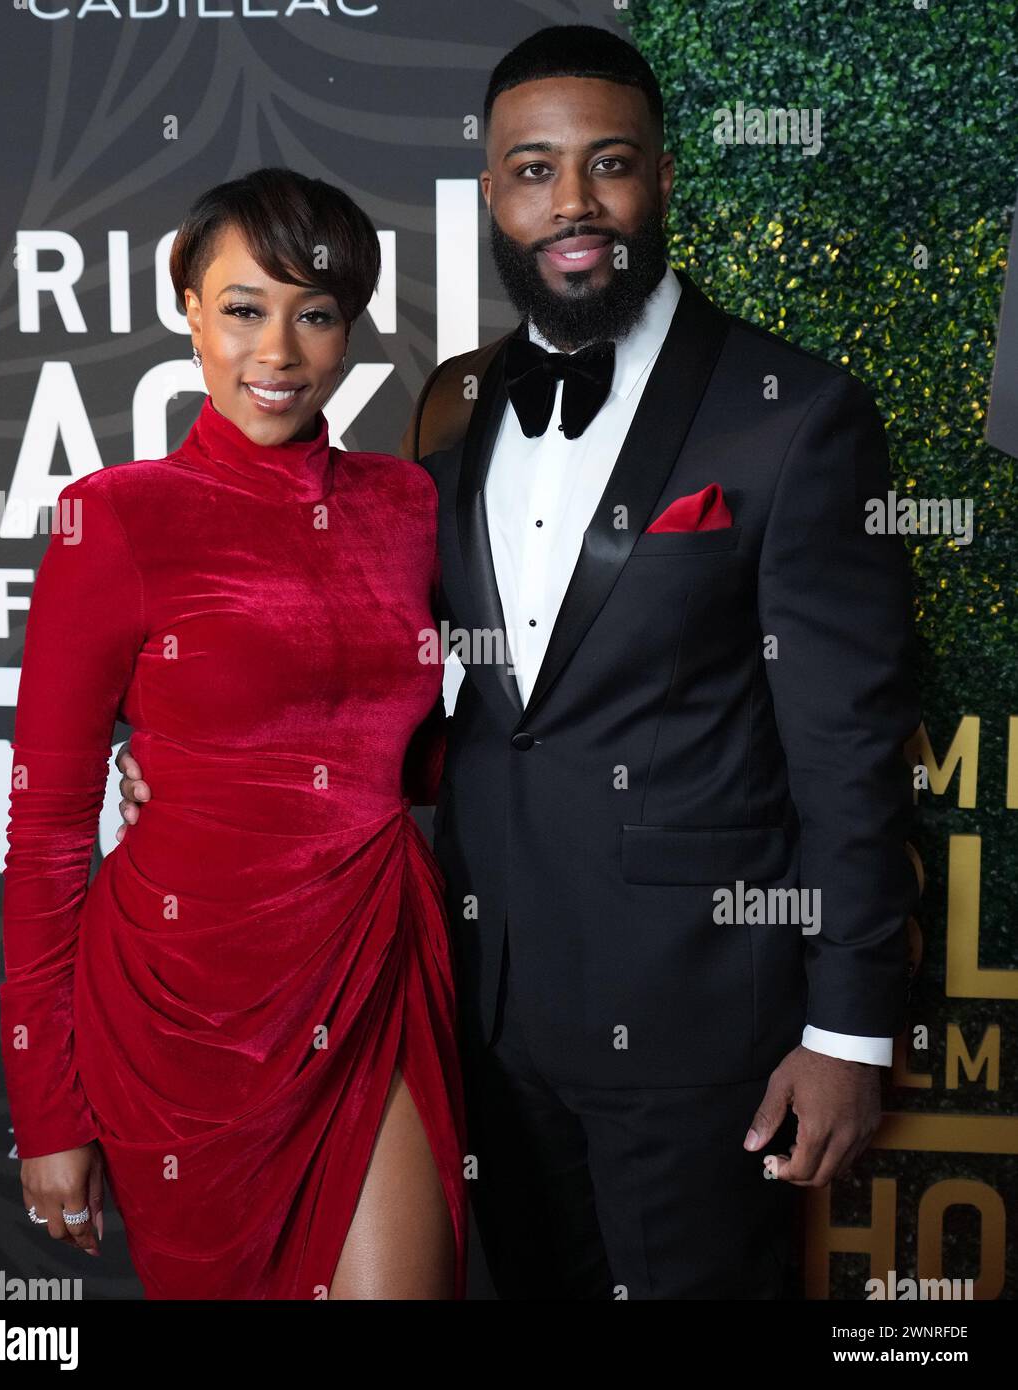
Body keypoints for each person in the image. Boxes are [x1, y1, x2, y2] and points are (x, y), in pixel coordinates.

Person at [118, 26, 921, 1299]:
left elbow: (849, 747)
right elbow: (406, 688)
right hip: (479, 1006)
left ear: (659, 179)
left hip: (699, 1018)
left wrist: (848, 1027)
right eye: (533, 169)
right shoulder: (451, 408)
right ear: (492, 194)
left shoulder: (793, 414)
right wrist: (190, 765)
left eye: (607, 165)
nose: (573, 202)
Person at [0, 167, 467, 1300]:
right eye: (245, 308)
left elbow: (450, 742)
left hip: (369, 964)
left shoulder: (411, 505)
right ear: (189, 311)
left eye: (314, 313)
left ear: (348, 328)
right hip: (183, 1006)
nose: (279, 351)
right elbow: (50, 829)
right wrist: (46, 1111)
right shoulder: (114, 516)